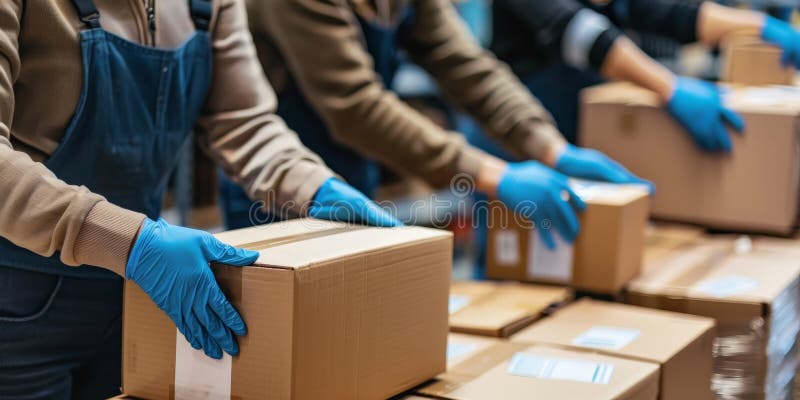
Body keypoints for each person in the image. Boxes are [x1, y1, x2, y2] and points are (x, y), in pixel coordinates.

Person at [0, 0, 400, 398]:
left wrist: (313, 185)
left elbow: (244, 121)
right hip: (17, 300)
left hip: (143, 294)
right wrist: (128, 242)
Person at [221, 0, 652, 252]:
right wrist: (495, 176)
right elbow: (354, 106)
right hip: (274, 191)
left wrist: (548, 146)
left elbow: (464, 63)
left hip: (354, 175)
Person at [492, 0, 800, 151]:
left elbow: (676, 15)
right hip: (514, 127)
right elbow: (579, 34)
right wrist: (670, 87)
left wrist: (759, 25)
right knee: (508, 253)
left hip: (577, 126)